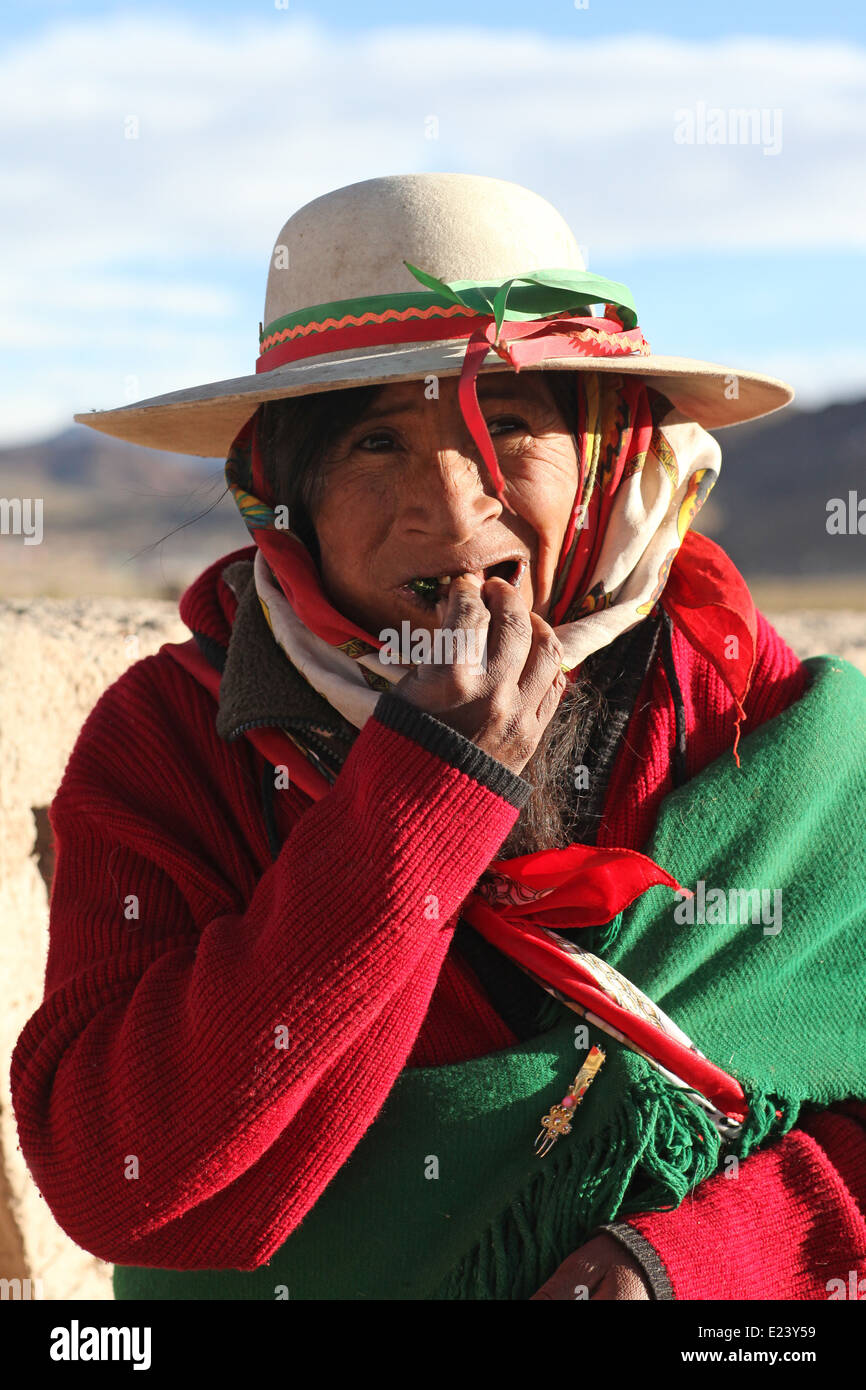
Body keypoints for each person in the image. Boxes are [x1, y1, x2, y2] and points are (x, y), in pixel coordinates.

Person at [11, 173, 866, 1301]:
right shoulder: (175, 740)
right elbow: (119, 1179)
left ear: (607, 458)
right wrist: (425, 792)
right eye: (374, 442)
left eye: (505, 426)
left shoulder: (775, 732)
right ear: (284, 488)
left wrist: (682, 1267)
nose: (451, 511)